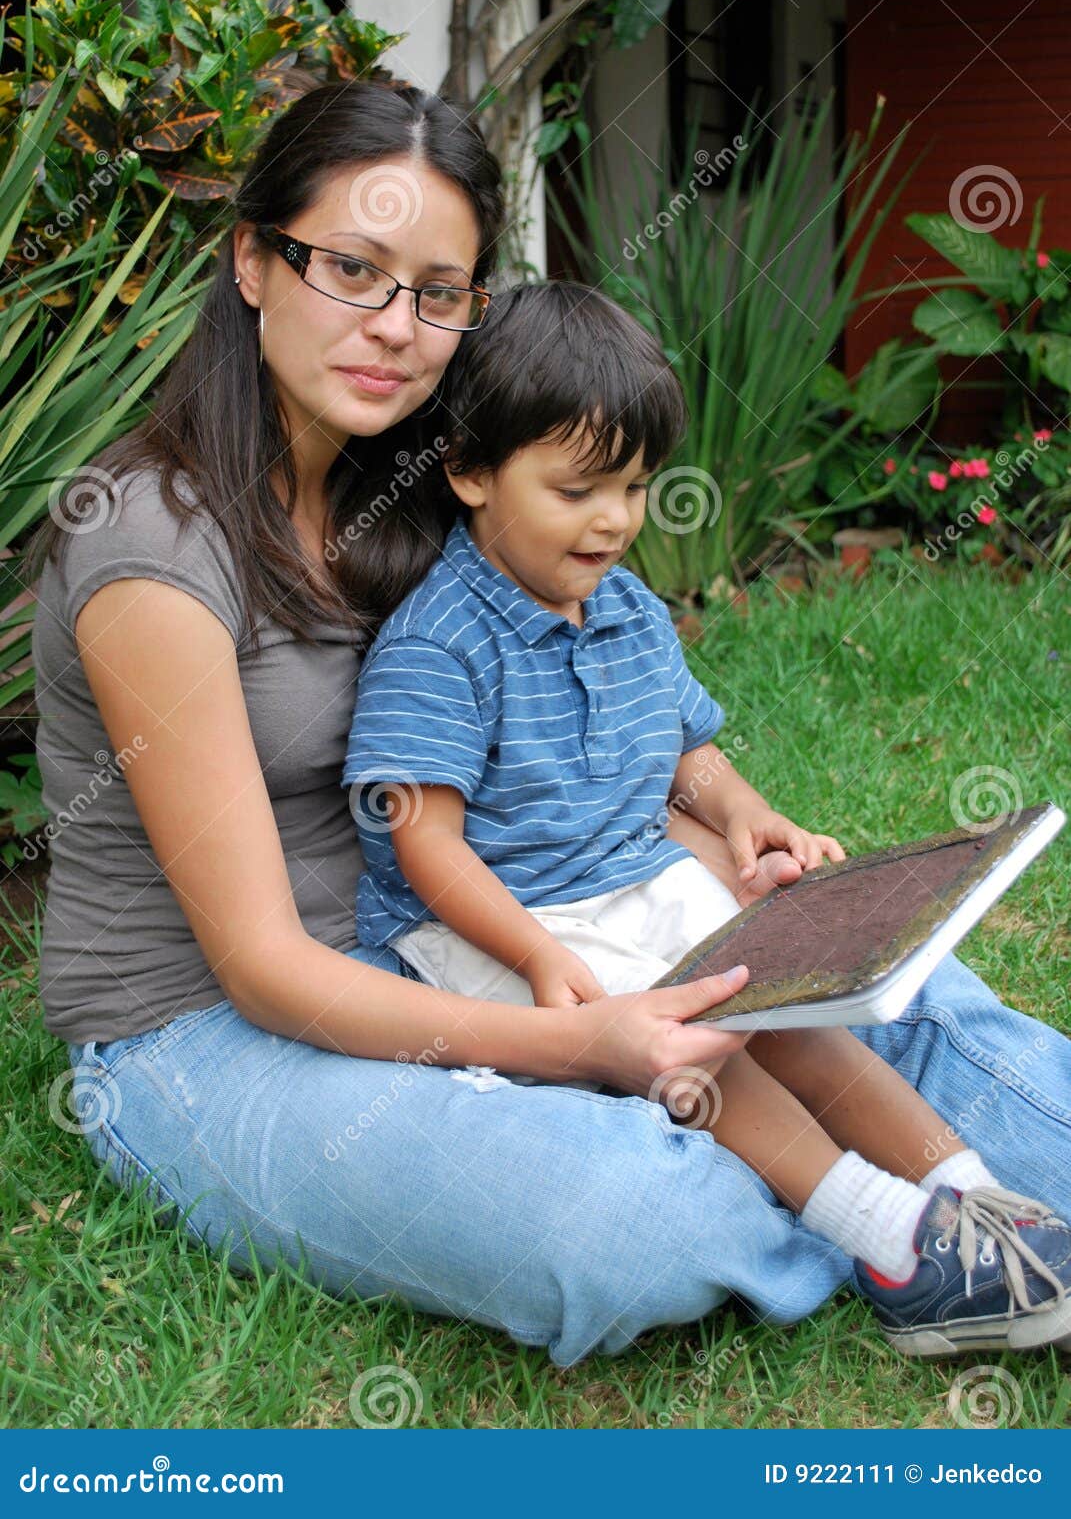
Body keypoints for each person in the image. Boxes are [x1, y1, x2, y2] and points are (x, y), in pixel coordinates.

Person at [22, 79, 1071, 1370]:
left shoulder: (422, 490)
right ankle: (886, 1225)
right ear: (254, 258)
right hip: (216, 1028)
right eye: (352, 268)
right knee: (625, 1221)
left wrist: (715, 840)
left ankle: (985, 1214)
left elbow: (569, 727)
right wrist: (578, 1039)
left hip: (499, 930)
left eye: (439, 290)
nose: (396, 327)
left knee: (869, 991)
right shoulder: (153, 550)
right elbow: (262, 966)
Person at [342, 280, 1071, 1355]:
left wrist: (745, 814)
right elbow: (426, 844)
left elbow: (690, 754)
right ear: (468, 471)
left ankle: (983, 1207)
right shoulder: (437, 645)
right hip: (494, 924)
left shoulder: (630, 611)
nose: (616, 520)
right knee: (705, 1058)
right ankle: (895, 1248)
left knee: (794, 1016)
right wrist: (539, 959)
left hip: (635, 885)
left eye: (635, 487)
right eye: (579, 488)